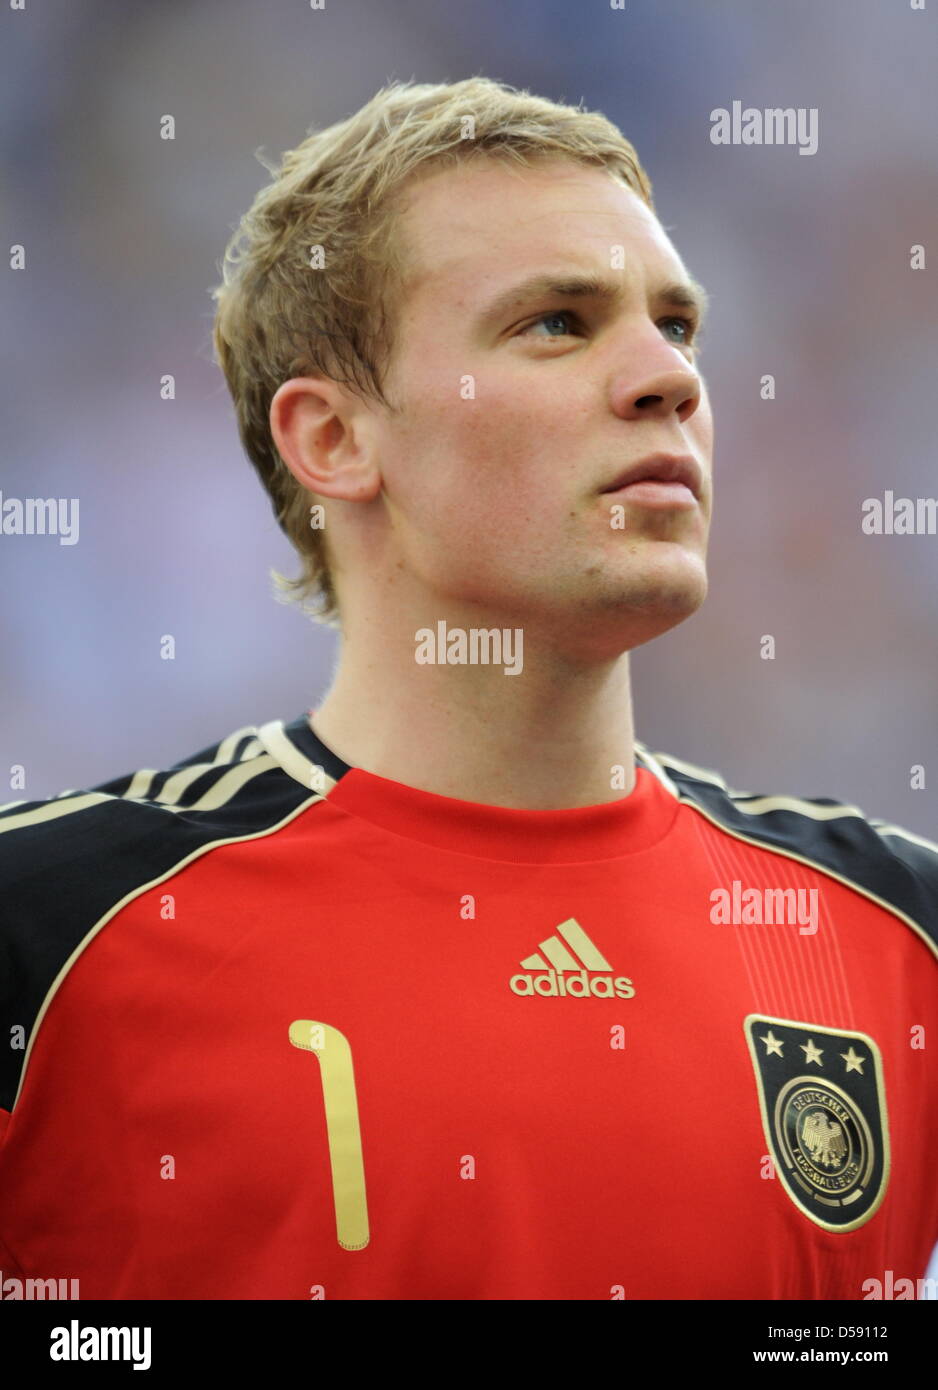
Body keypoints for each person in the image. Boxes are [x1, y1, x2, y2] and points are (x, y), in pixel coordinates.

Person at [1, 77, 935, 1302]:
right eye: (556, 322)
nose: (669, 379)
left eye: (677, 325)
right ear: (332, 439)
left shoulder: (894, 933)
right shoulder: (54, 935)